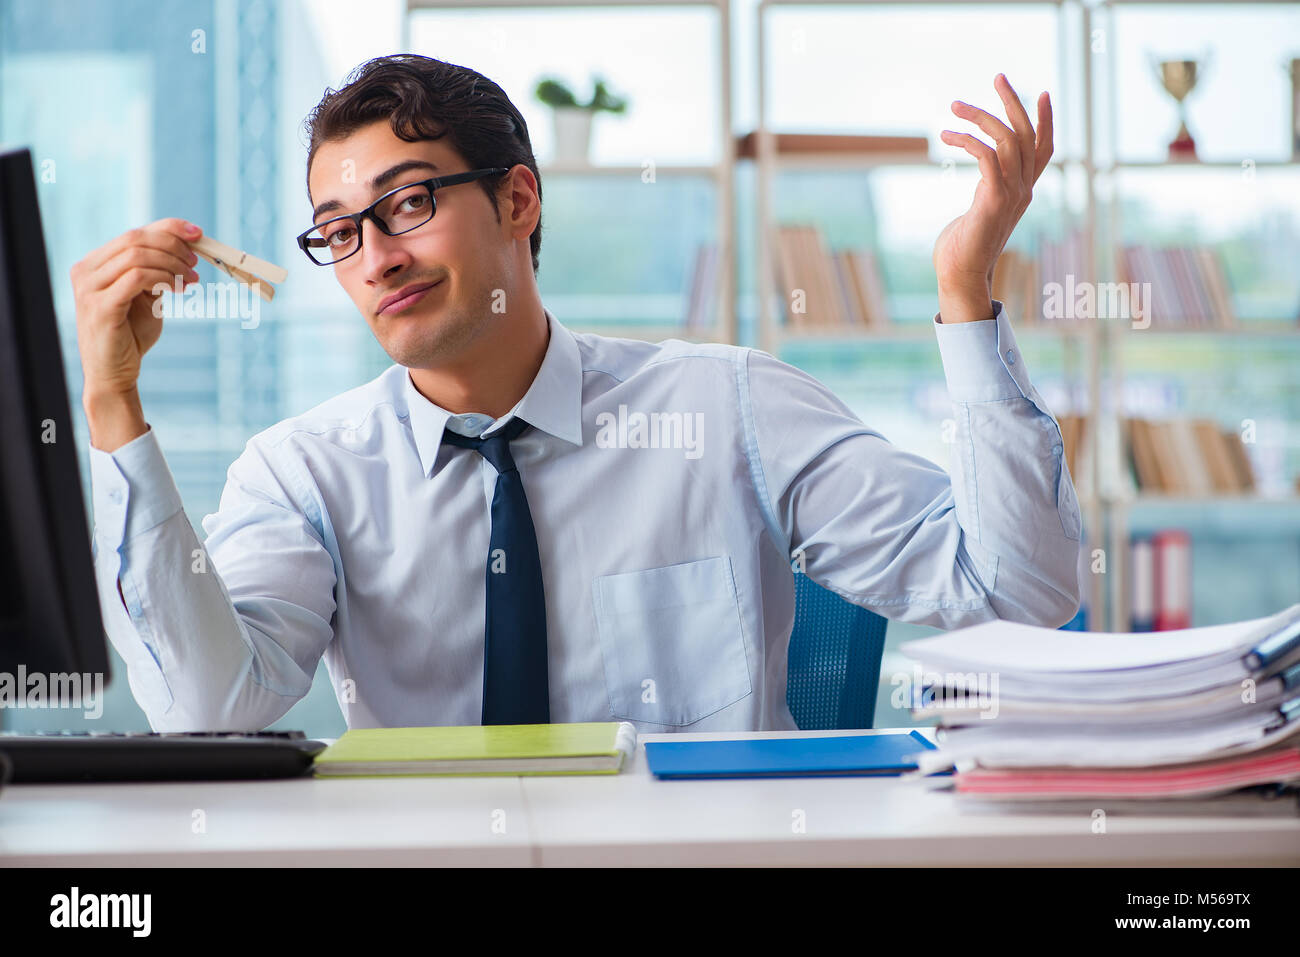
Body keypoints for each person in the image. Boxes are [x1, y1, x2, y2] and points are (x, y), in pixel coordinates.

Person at [71, 54, 1080, 733]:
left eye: (409, 202)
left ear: (517, 198)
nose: (375, 258)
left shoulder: (728, 411)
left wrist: (964, 295)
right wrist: (115, 404)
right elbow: (212, 708)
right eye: (340, 230)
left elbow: (1020, 594)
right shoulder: (303, 474)